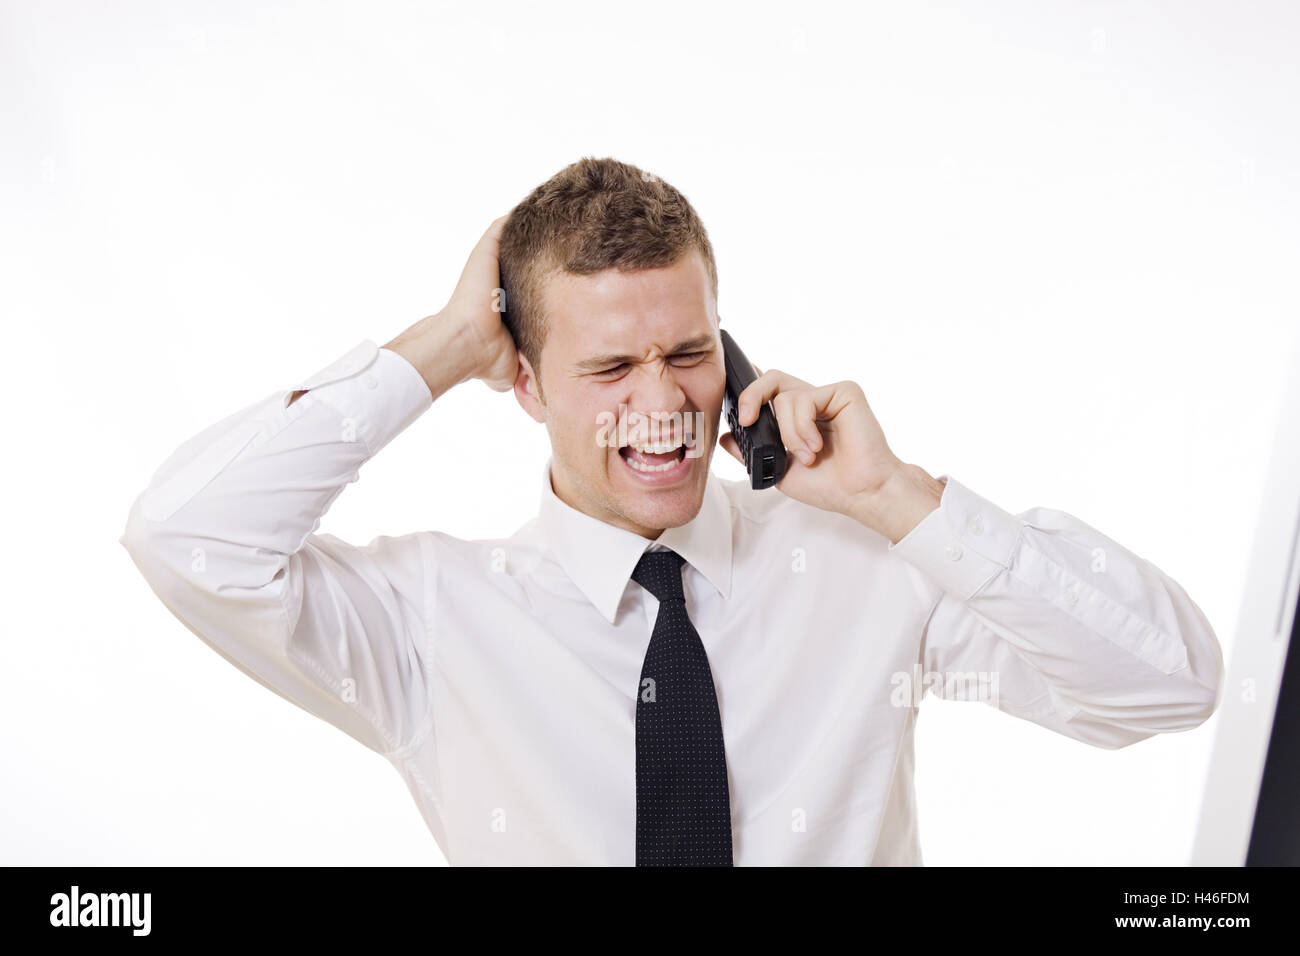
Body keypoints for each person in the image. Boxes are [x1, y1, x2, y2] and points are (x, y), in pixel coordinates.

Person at [120, 156, 1225, 866]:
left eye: (688, 352)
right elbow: (187, 537)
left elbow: (1167, 684)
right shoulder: (432, 620)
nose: (664, 404)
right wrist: (446, 342)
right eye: (608, 367)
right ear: (525, 383)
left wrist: (897, 497)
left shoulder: (859, 564)